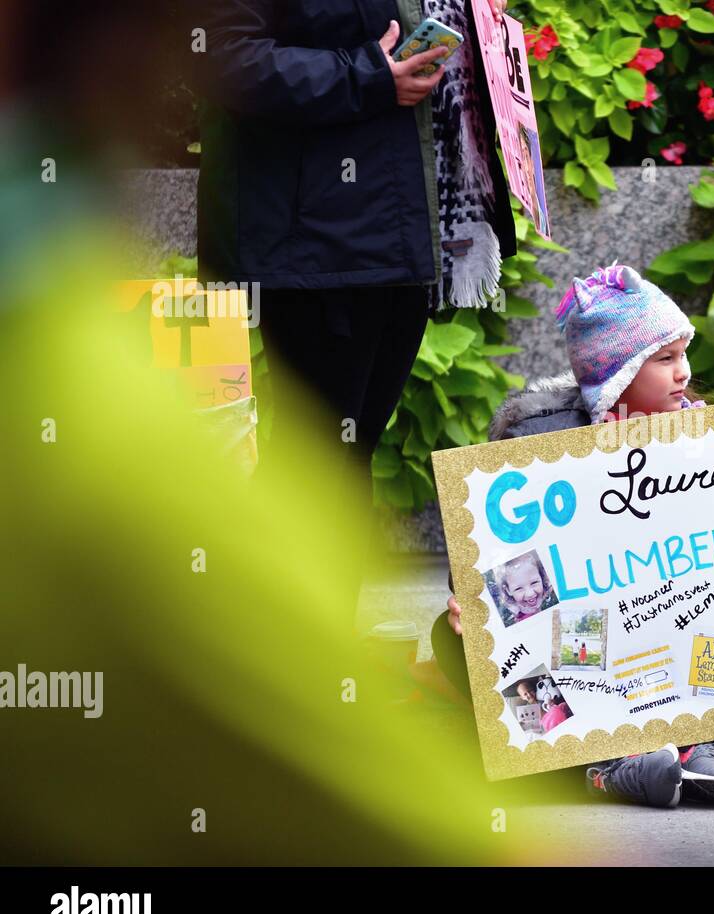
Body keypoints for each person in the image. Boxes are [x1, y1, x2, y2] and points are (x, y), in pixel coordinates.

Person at [439, 263, 714, 809]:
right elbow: (485, 551)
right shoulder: (542, 447)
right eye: (664, 359)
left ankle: (697, 744)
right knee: (461, 639)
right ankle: (614, 767)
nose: (683, 372)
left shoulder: (710, 442)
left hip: (671, 638)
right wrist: (469, 603)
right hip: (588, 644)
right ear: (615, 375)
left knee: (710, 604)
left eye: (684, 354)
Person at [194, 0, 518, 615]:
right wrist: (363, 75)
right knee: (317, 460)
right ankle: (283, 662)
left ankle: (294, 656)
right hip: (314, 241)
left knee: (343, 453)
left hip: (399, 232)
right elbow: (221, 56)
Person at [497, 552, 552, 625]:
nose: (530, 593)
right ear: (508, 590)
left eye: (534, 582)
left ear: (541, 578)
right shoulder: (512, 605)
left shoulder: (548, 589)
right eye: (519, 588)